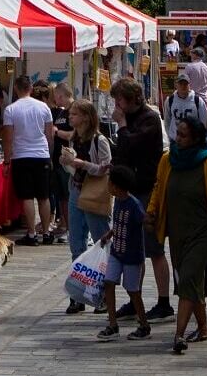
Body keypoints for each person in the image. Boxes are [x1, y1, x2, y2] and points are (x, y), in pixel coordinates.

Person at [148, 115, 207, 354]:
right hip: (176, 232)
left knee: (187, 278)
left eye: (184, 135)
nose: (178, 138)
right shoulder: (168, 160)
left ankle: (179, 334)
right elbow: (158, 188)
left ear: (196, 138)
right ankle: (204, 327)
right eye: (177, 133)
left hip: (203, 232)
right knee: (191, 282)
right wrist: (152, 212)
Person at [107, 79, 172, 321]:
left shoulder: (149, 119)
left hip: (147, 189)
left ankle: (164, 302)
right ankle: (136, 300)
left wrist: (122, 125)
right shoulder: (132, 118)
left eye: (120, 100)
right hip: (130, 188)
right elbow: (122, 150)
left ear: (133, 98)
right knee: (135, 249)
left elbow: (131, 145)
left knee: (153, 247)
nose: (117, 105)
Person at [59, 99, 114, 303]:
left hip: (94, 192)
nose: (70, 117)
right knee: (76, 243)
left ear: (85, 117)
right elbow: (74, 168)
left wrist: (82, 164)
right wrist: (68, 163)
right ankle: (78, 293)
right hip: (76, 189)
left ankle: (103, 294)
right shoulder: (75, 139)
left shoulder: (99, 140)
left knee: (101, 241)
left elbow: (106, 168)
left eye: (74, 114)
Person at [95, 165, 151, 342]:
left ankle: (144, 324)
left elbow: (144, 221)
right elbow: (119, 223)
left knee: (133, 290)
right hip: (116, 252)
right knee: (108, 283)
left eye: (110, 183)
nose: (108, 186)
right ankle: (112, 324)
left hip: (132, 256)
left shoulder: (133, 205)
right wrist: (109, 234)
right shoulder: (118, 201)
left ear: (117, 186)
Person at [1, 75, 56, 245]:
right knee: (43, 196)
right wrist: (50, 155)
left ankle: (31, 234)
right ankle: (46, 233)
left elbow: (8, 138)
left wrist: (7, 160)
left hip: (21, 156)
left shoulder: (11, 110)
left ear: (17, 89)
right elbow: (50, 135)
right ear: (31, 88)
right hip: (41, 155)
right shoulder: (44, 108)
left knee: (27, 197)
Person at [46, 83, 72, 239]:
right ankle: (65, 225)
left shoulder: (74, 110)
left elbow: (74, 134)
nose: (55, 100)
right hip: (58, 159)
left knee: (68, 195)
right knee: (61, 195)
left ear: (61, 95)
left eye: (56, 97)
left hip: (68, 161)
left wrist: (57, 132)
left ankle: (71, 228)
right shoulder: (62, 113)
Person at [183, 48, 207, 113]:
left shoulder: (189, 67)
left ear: (196, 55)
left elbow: (184, 83)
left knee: (191, 120)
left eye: (192, 53)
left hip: (192, 98)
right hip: (204, 98)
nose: (190, 55)